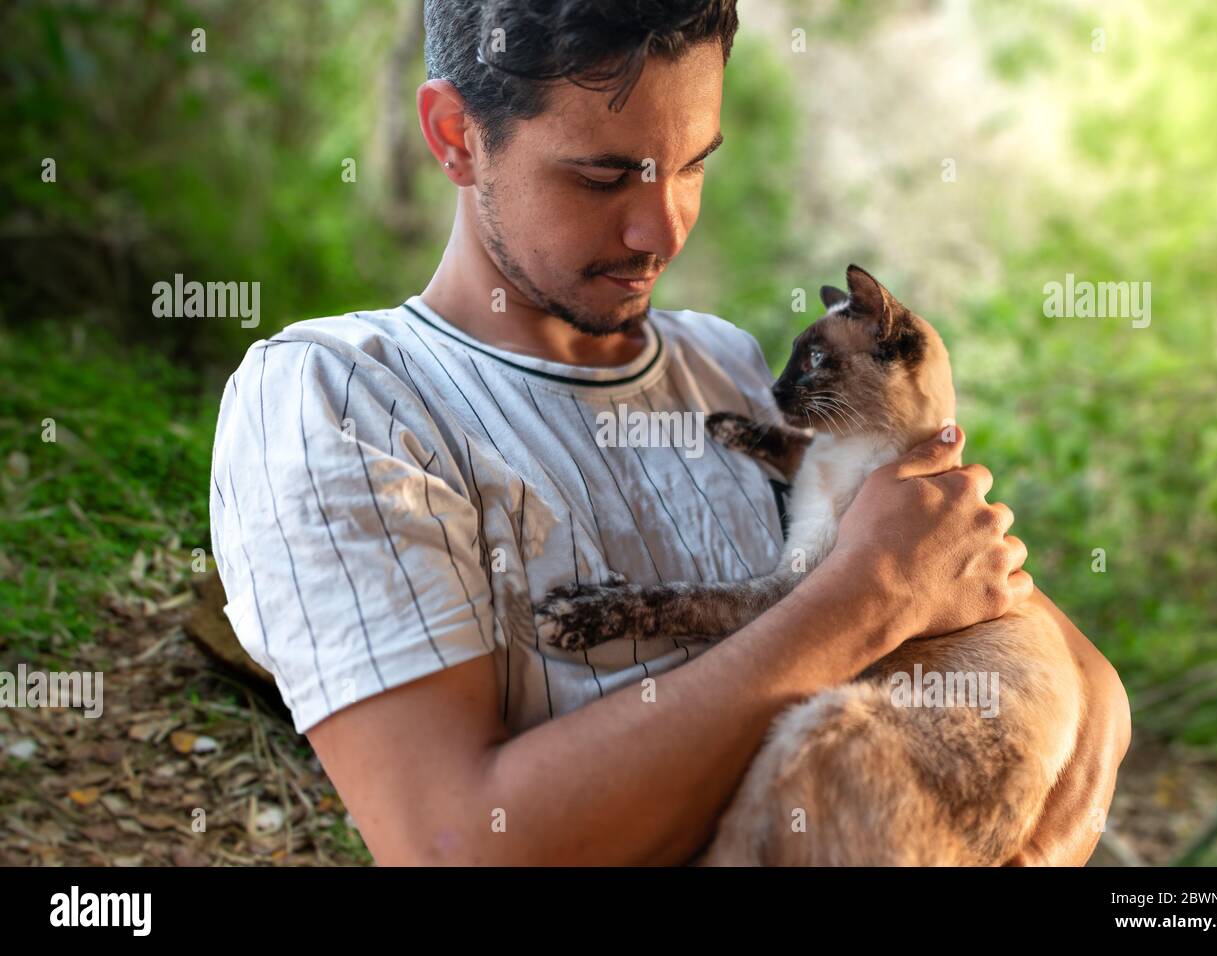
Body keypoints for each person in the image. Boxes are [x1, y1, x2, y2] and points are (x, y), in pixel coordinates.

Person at [208, 0, 1129, 866]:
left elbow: (957, 576)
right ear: (456, 137)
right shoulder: (338, 395)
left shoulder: (723, 364)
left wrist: (1092, 707)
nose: (665, 228)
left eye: (693, 164)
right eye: (605, 174)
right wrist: (872, 596)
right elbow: (456, 841)